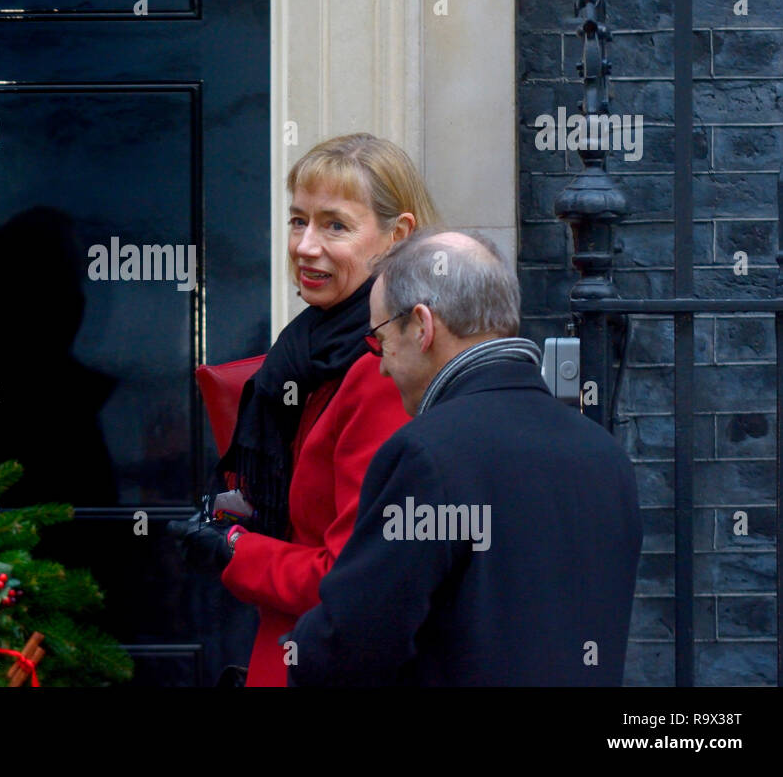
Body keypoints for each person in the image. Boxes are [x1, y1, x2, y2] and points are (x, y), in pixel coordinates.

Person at [288, 230, 643, 686]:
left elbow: (352, 643)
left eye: (379, 340)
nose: (380, 364)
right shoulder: (604, 455)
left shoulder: (425, 455)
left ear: (421, 326)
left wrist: (299, 647)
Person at [174, 133, 440, 687]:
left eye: (335, 225)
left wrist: (233, 548)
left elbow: (348, 574)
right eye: (299, 221)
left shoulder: (382, 369)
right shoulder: (314, 351)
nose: (305, 246)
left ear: (399, 235)